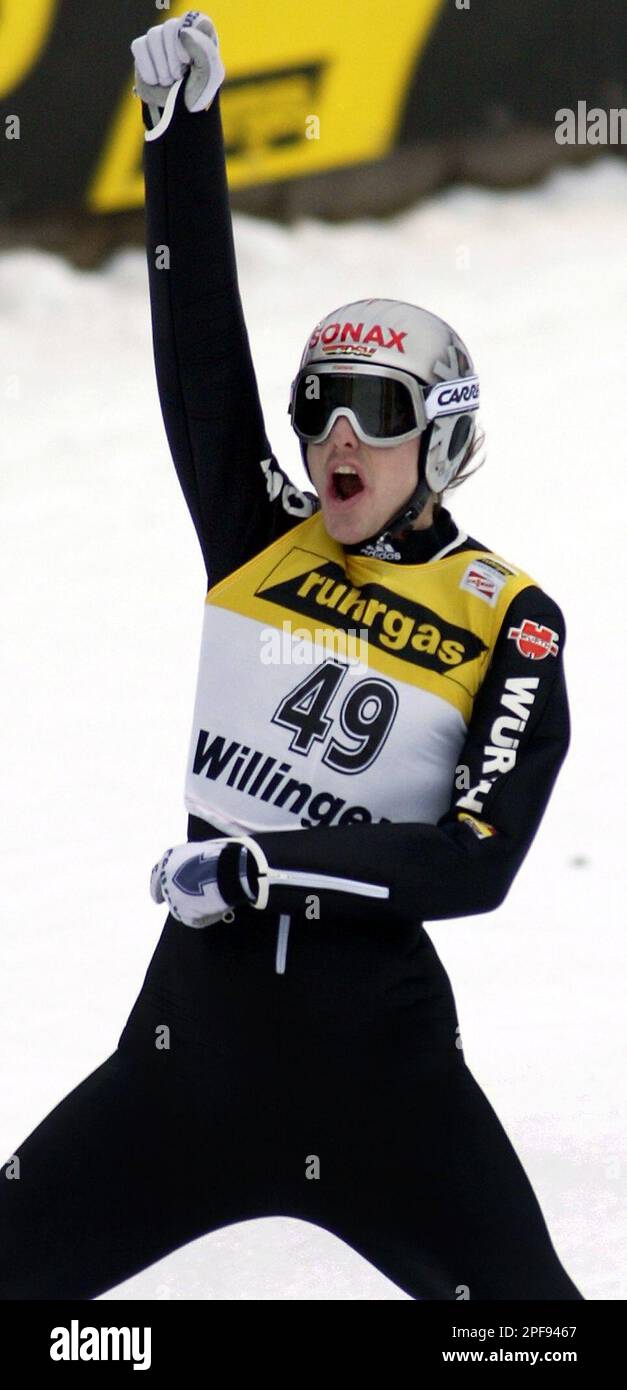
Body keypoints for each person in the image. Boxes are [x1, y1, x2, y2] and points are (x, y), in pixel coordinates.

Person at [0, 12, 583, 1301]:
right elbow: (202, 346)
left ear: (444, 442)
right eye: (318, 403)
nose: (337, 439)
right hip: (186, 1061)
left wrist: (271, 870)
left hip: (382, 1082)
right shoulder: (256, 536)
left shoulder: (513, 619)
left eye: (377, 414)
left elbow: (470, 863)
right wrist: (180, 135)